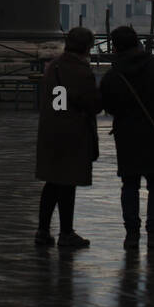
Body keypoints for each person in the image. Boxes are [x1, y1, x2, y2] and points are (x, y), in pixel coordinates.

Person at [100, 24, 154, 251]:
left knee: (129, 184)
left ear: (114, 47)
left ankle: (131, 235)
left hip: (126, 135)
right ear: (138, 42)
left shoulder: (113, 74)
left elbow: (107, 105)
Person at [34, 25, 101, 250]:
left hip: (50, 131)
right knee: (67, 185)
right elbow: (93, 105)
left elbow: (57, 101)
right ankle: (66, 232)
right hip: (72, 133)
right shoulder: (82, 71)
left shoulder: (53, 67)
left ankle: (43, 231)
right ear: (86, 48)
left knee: (52, 184)